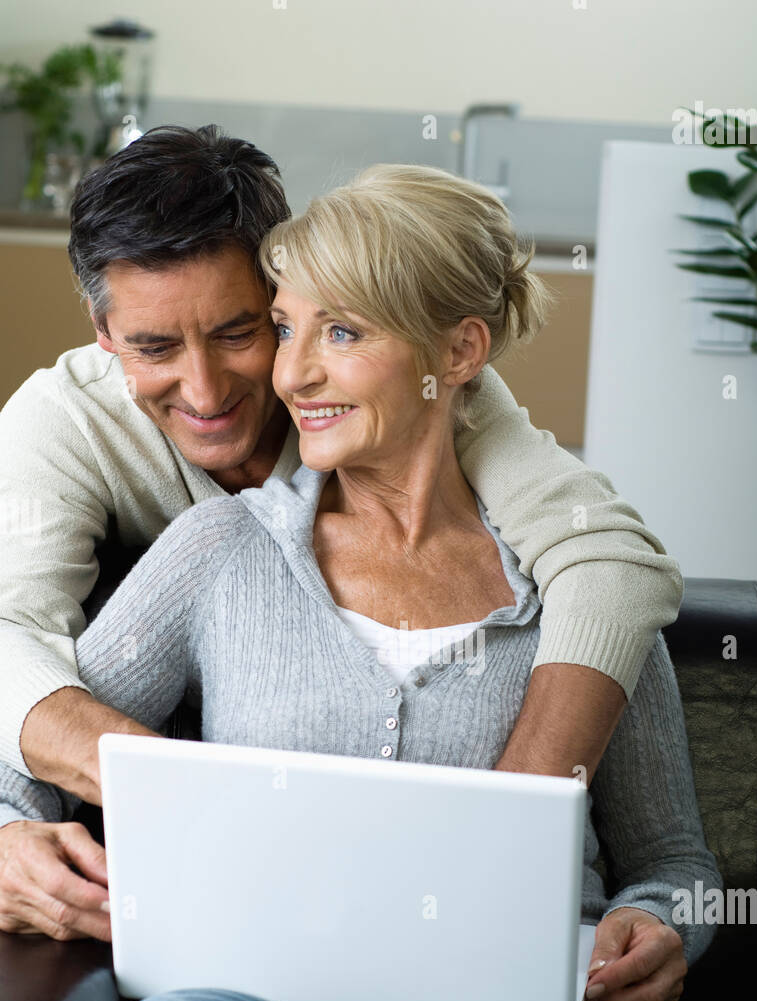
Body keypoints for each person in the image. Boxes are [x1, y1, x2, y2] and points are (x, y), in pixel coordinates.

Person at [0, 162, 722, 1001]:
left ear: (458, 352)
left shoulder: (579, 588)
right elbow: (26, 744)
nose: (285, 374)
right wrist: (5, 837)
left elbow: (673, 863)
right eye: (286, 330)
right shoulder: (220, 553)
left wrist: (654, 926)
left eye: (333, 332)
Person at [0, 125, 684, 944]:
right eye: (153, 346)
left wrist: (517, 835)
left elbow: (607, 564)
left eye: (240, 333)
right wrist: (171, 805)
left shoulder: (415, 387)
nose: (207, 389)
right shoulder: (62, 422)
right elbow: (11, 633)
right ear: (103, 330)